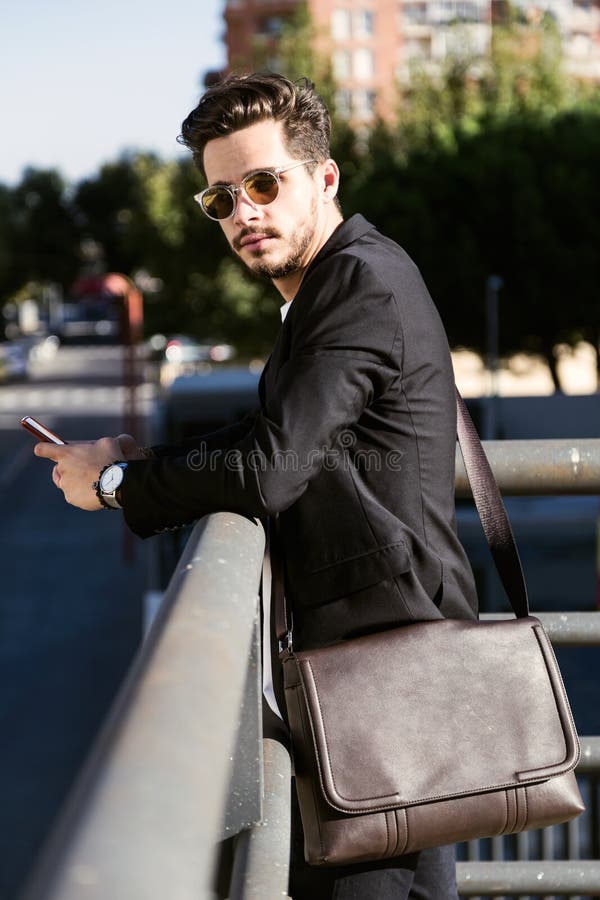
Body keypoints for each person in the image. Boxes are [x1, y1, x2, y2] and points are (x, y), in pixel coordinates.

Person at [34, 72, 478, 899]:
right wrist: (139, 458)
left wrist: (122, 485)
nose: (244, 214)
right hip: (378, 683)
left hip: (390, 685)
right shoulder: (334, 287)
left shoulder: (358, 284)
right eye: (220, 200)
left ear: (325, 177)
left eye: (263, 184)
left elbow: (271, 465)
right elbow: (278, 436)